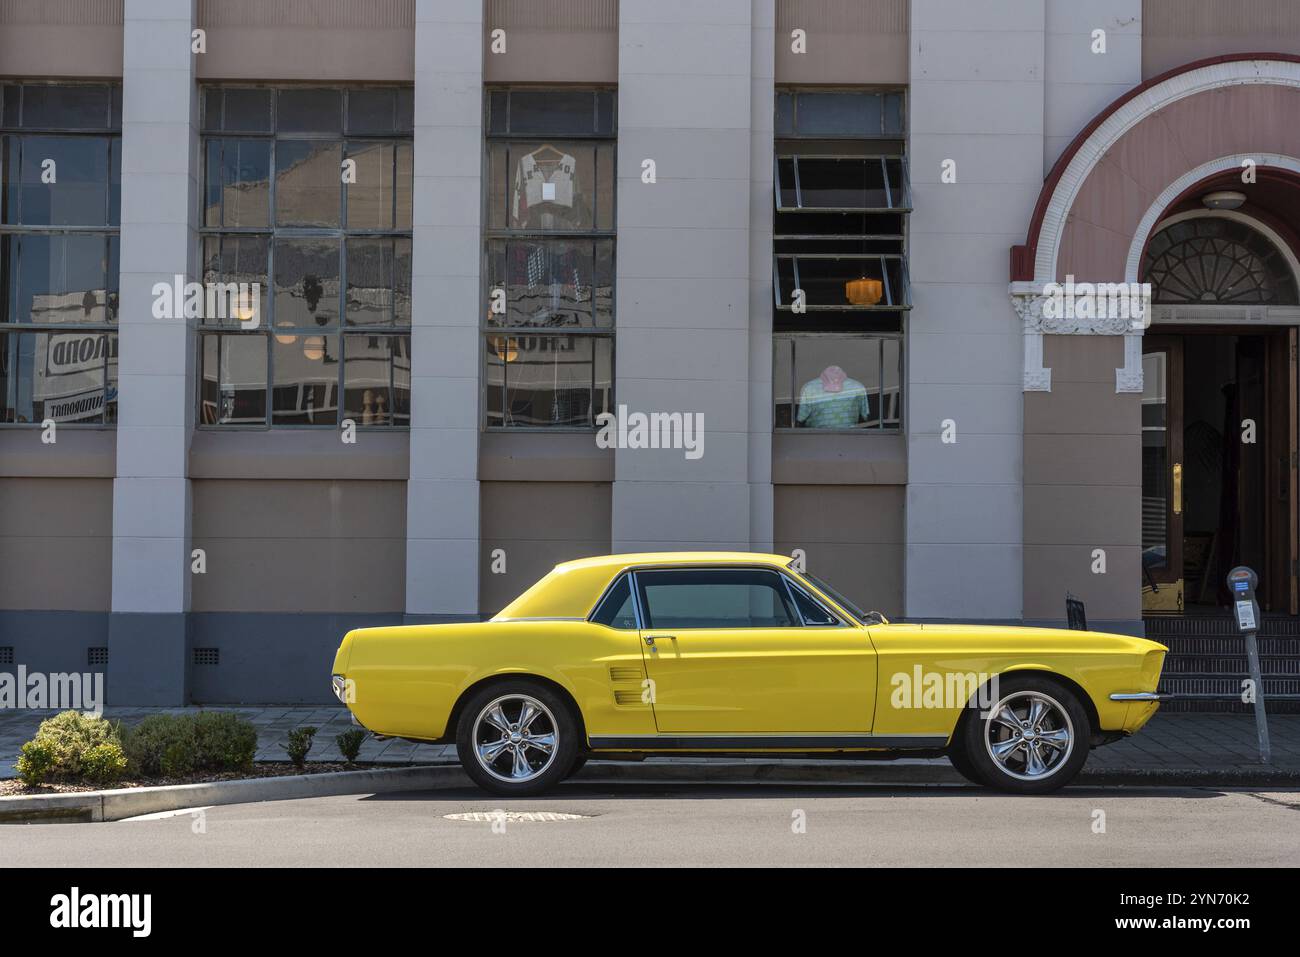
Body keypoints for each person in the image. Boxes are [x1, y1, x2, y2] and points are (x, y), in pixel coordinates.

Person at [797, 365, 870, 428]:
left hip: (817, 438)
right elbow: (866, 416)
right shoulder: (858, 387)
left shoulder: (809, 387)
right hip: (850, 437)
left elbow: (801, 419)